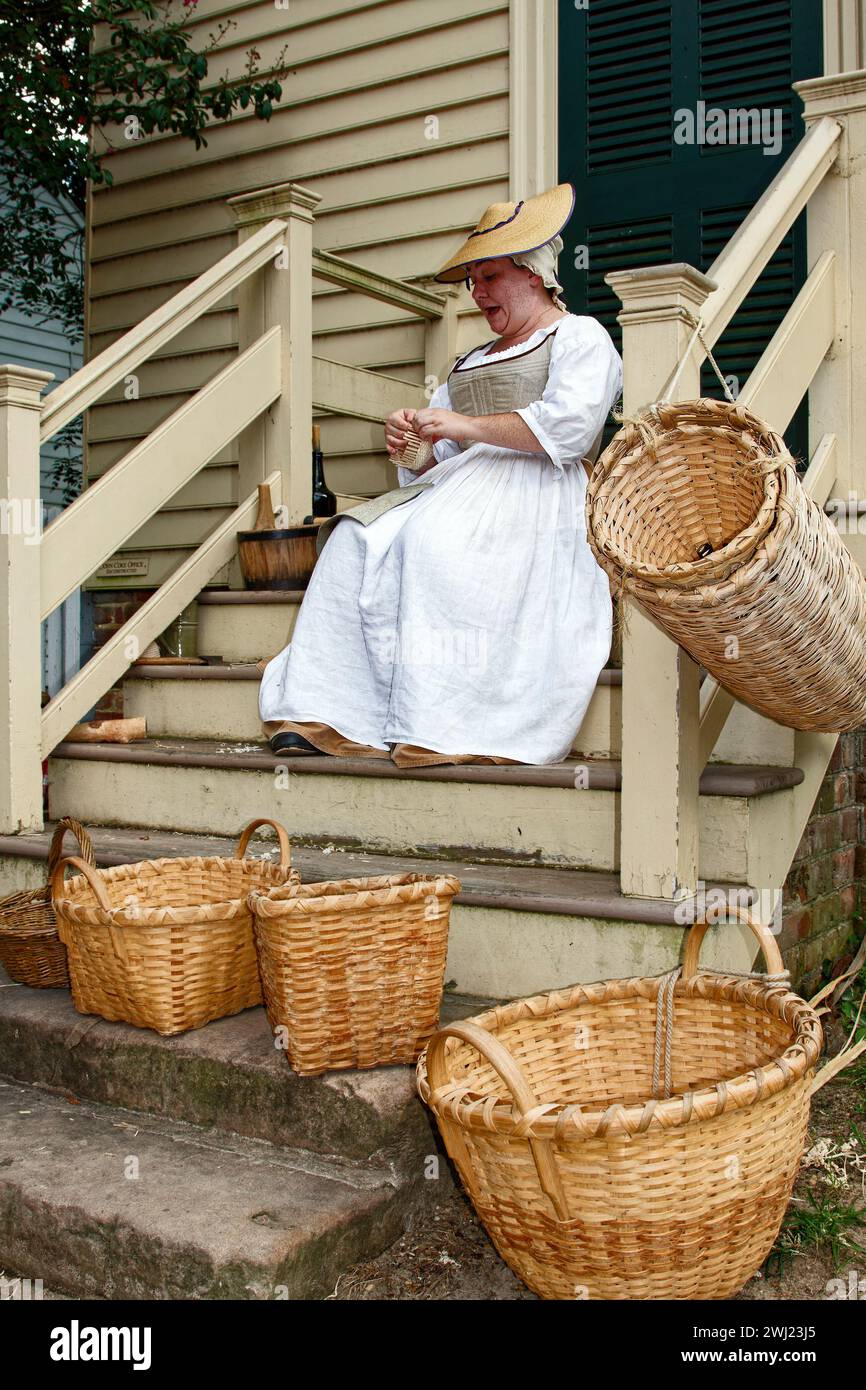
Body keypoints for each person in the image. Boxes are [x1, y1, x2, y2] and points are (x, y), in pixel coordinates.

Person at [259, 182, 622, 767]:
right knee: (352, 538)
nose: (477, 293)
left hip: (537, 491)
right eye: (472, 281)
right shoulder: (471, 361)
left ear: (533, 273)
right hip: (457, 489)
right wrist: (411, 442)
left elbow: (569, 432)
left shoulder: (580, 338)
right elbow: (434, 461)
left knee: (435, 547)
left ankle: (443, 724)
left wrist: (463, 425)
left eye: (489, 277)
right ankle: (328, 711)